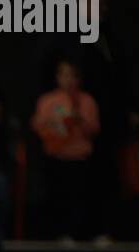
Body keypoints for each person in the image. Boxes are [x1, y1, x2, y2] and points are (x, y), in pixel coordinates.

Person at [31, 60, 101, 240]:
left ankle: (84, 234)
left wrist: (80, 121)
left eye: (73, 75)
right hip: (56, 155)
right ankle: (60, 234)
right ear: (58, 77)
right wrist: (52, 124)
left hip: (80, 156)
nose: (68, 80)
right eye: (64, 75)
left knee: (81, 198)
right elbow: (38, 126)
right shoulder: (48, 100)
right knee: (57, 198)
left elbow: (94, 129)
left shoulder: (86, 101)